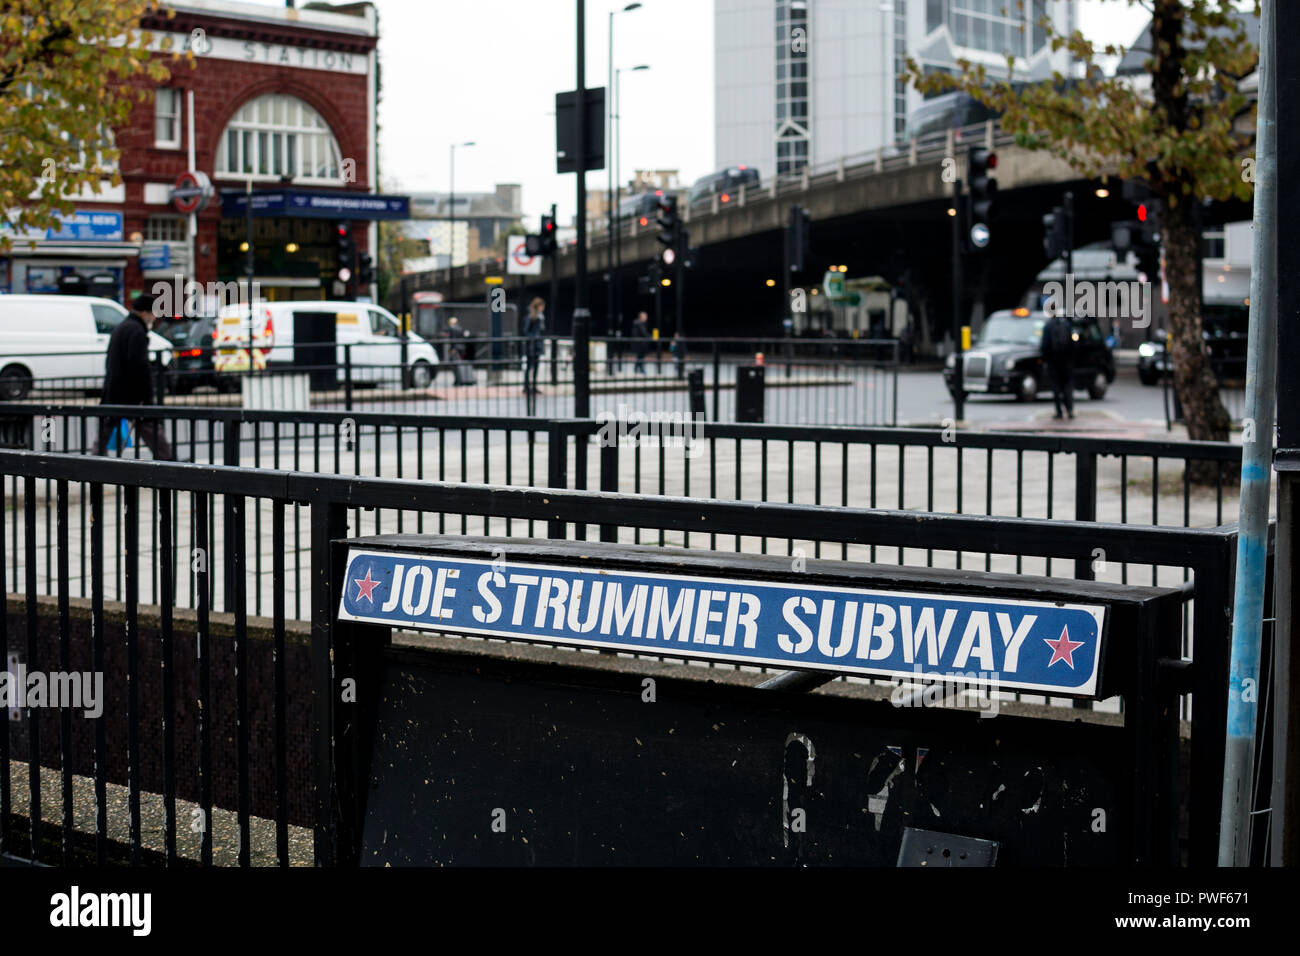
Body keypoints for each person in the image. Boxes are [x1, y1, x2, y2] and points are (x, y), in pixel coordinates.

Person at [94, 292, 175, 460]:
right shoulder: (136, 331)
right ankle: (169, 464)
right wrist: (146, 395)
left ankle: (95, 461)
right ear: (145, 312)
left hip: (114, 390)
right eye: (153, 313)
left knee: (106, 430)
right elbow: (140, 366)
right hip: (131, 394)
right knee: (150, 428)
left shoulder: (121, 327)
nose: (154, 317)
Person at [1040, 310, 1076, 420]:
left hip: (1053, 361)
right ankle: (1069, 410)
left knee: (1055, 386)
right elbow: (1073, 343)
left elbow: (1044, 346)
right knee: (1067, 385)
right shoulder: (1066, 324)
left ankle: (1059, 411)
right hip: (1066, 361)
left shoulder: (1048, 326)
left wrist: (1045, 360)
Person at [523, 297, 545, 395]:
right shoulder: (532, 317)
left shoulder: (540, 316)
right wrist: (533, 338)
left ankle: (533, 386)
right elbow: (526, 331)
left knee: (535, 367)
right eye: (542, 306)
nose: (543, 308)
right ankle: (526, 387)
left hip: (537, 345)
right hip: (532, 346)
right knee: (529, 367)